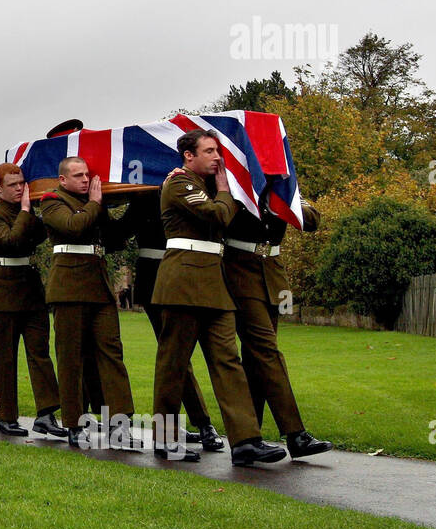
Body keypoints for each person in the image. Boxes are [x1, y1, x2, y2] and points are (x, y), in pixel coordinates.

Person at [151, 128, 285, 465]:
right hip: (182, 282)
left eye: (218, 151)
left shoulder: (207, 186)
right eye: (209, 151)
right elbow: (218, 215)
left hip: (213, 283)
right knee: (174, 363)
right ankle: (165, 439)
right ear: (188, 156)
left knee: (228, 362)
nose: (217, 157)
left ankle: (245, 441)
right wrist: (226, 190)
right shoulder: (179, 183)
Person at [38, 158, 142, 450]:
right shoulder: (52, 200)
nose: (86, 179)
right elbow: (73, 227)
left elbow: (113, 238)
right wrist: (96, 203)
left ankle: (120, 424)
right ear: (62, 179)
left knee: (112, 355)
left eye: (87, 174)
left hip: (98, 286)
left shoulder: (94, 203)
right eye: (78, 175)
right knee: (71, 358)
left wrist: (134, 206)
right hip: (68, 288)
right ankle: (74, 422)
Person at [223, 195, 333, 458]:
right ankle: (296, 434)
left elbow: (311, 220)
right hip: (240, 271)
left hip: (272, 274)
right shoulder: (238, 180)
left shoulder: (282, 187)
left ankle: (248, 439)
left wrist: (284, 204)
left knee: (256, 359)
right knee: (266, 352)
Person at [130, 189, 224, 451]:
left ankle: (200, 424)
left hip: (197, 276)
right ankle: (201, 423)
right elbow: (120, 232)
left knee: (207, 354)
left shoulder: (192, 189)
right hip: (156, 280)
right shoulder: (144, 196)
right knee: (175, 356)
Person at [0, 163, 66, 437]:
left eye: (22, 183)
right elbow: (12, 240)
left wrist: (29, 212)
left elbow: (41, 235)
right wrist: (26, 211)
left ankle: (47, 414)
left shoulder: (24, 211)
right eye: (13, 185)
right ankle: (7, 416)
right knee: (4, 354)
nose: (20, 188)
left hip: (29, 286)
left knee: (40, 351)